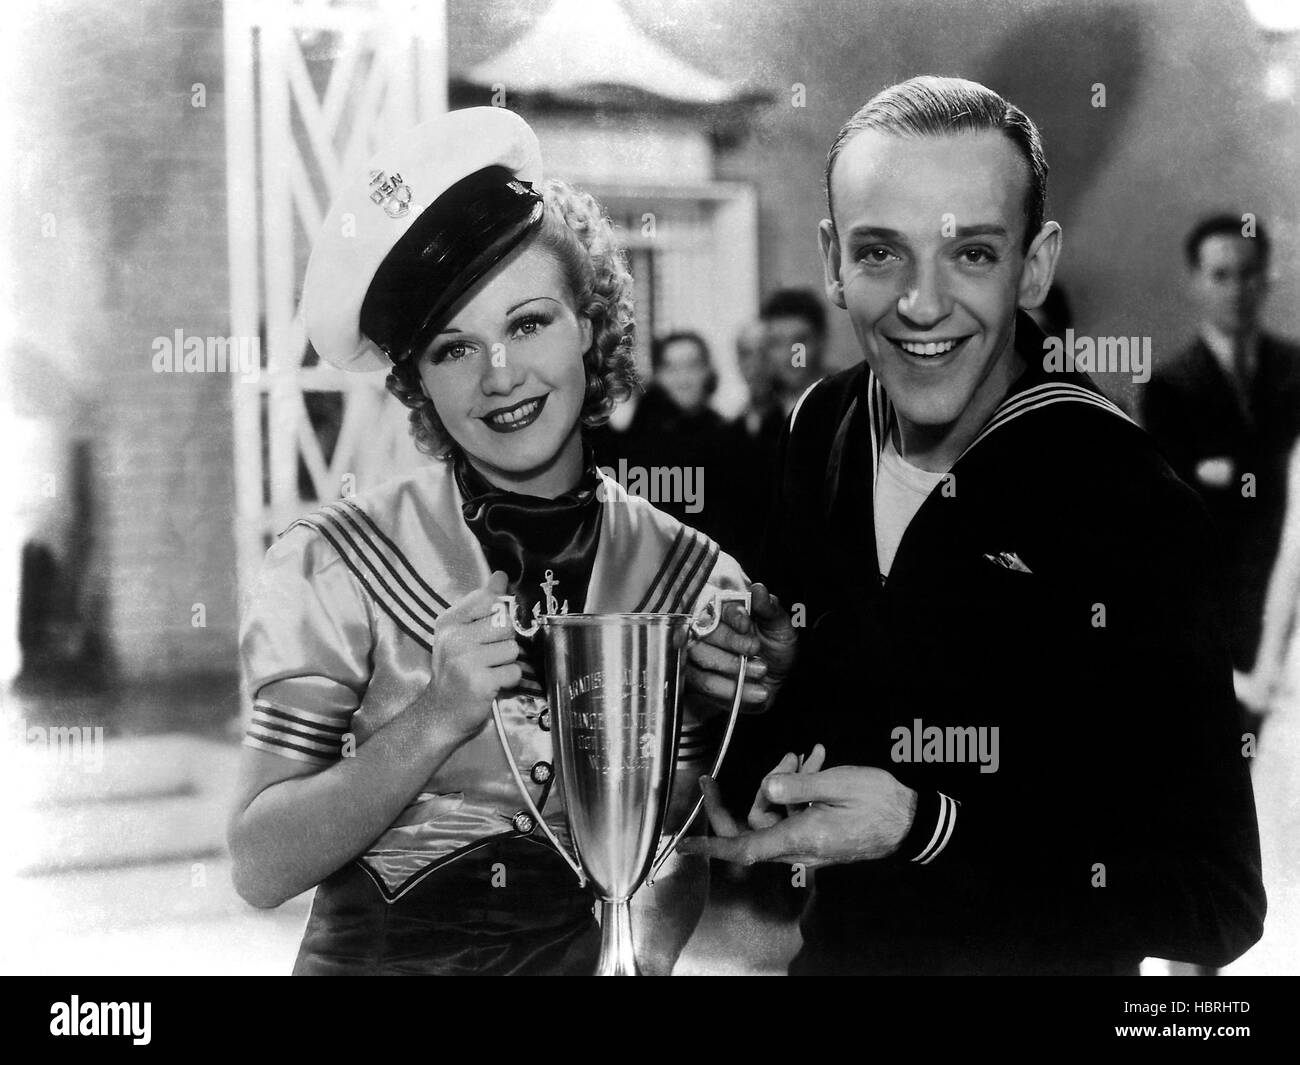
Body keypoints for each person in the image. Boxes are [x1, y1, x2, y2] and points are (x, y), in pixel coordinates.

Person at [683, 75, 1265, 975]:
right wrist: (774, 674)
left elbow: (1216, 902)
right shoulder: (820, 428)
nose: (921, 303)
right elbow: (828, 744)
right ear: (835, 260)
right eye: (881, 253)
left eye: (972, 255)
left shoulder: (1124, 496)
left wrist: (929, 827)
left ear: (1034, 265)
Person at [226, 108, 764, 975]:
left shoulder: (693, 580)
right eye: (454, 348)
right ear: (417, 385)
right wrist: (434, 717)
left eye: (528, 324)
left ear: (588, 321)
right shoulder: (333, 564)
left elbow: (675, 843)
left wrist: (640, 958)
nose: (501, 376)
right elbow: (259, 864)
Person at [1141, 214, 1300, 744]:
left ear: (1267, 279)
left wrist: (1233, 474)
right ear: (1196, 281)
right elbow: (1173, 520)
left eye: (1249, 274)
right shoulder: (1170, 389)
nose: (1237, 289)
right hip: (1218, 619)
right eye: (1221, 275)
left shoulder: (1295, 371)